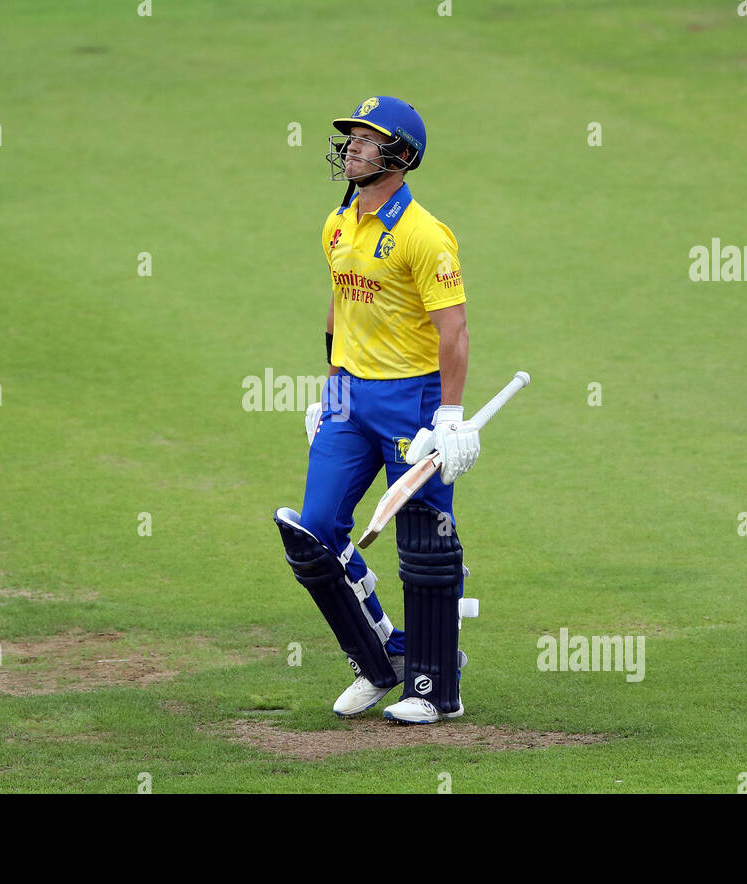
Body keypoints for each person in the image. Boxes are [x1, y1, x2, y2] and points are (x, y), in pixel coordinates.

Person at [273, 96, 481, 725]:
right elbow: (342, 310)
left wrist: (449, 415)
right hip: (350, 397)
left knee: (424, 541)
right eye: (353, 138)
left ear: (402, 156)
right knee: (314, 534)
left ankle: (436, 686)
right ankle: (380, 659)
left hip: (411, 400)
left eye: (369, 139)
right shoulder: (337, 223)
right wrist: (330, 389)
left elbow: (455, 329)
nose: (355, 147)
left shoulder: (425, 234)